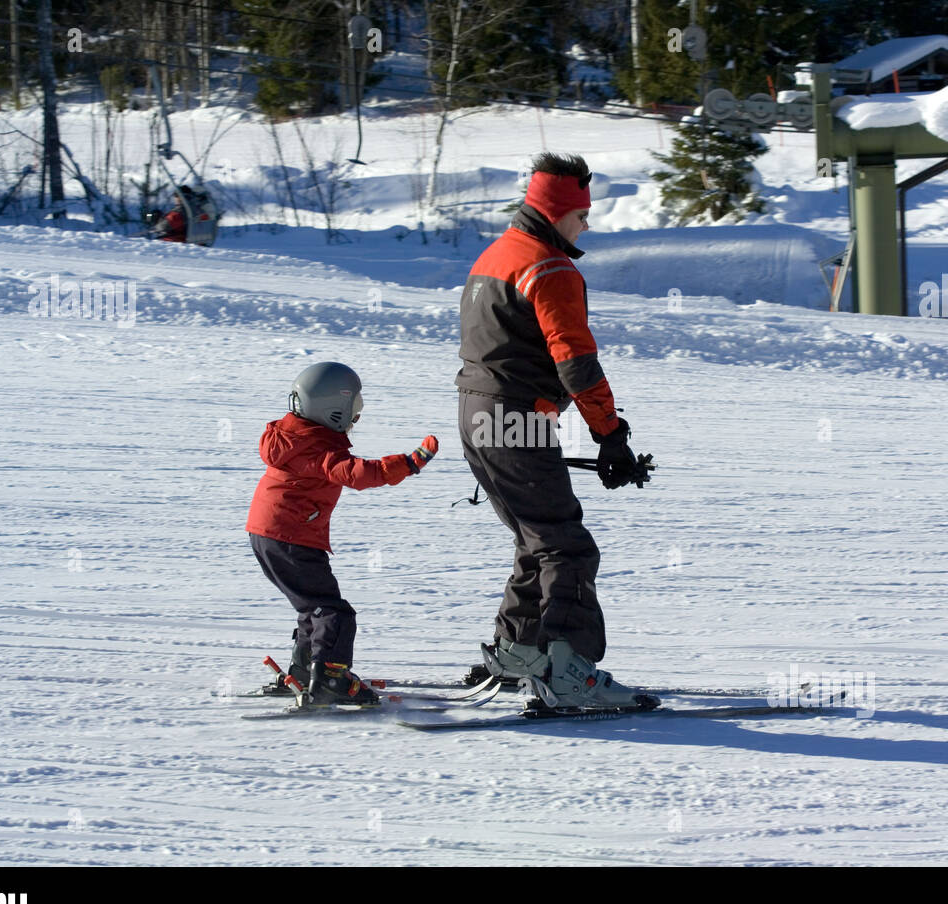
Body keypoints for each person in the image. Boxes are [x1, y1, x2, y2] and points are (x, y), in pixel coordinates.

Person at [456, 152, 655, 710]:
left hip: (476, 413)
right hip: (514, 418)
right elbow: (576, 363)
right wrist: (610, 434)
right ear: (557, 211)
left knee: (536, 537)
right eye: (581, 213)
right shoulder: (550, 266)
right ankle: (570, 671)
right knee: (566, 546)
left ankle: (519, 651)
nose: (586, 225)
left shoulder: (495, 255)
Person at [247, 362, 438, 706]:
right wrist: (406, 464)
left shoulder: (292, 437)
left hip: (268, 533)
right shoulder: (319, 447)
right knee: (334, 612)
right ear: (333, 409)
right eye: (354, 410)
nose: (356, 418)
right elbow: (356, 474)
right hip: (292, 537)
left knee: (313, 608)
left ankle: (306, 672)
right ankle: (331, 678)